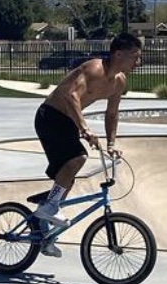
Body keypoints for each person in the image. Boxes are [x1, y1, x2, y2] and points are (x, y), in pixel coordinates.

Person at [32, 32, 143, 257]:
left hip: (68, 121)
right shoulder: (94, 69)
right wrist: (84, 129)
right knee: (77, 158)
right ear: (119, 54)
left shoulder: (119, 81)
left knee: (67, 176)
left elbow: (112, 113)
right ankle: (49, 208)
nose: (137, 62)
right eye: (134, 57)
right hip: (50, 116)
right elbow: (71, 96)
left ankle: (43, 232)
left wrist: (111, 143)